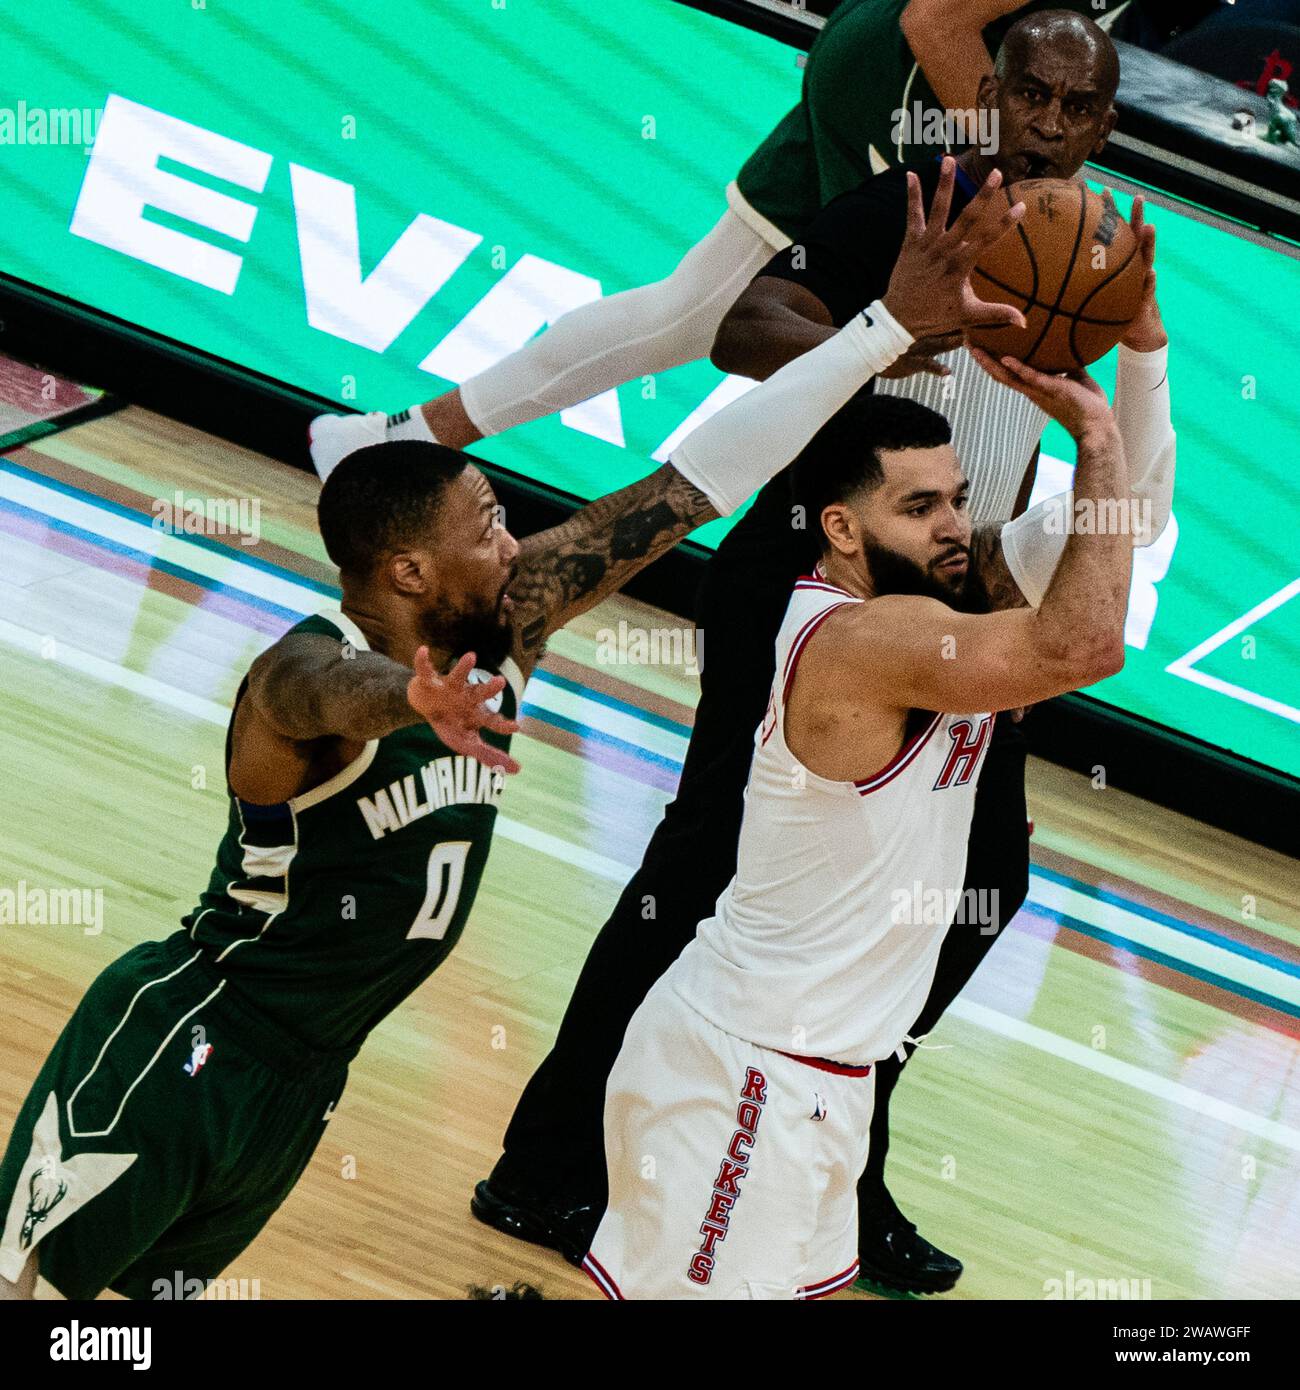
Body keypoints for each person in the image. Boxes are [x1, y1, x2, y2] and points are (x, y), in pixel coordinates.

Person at [0, 166, 1025, 1301]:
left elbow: (697, 484)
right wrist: (411, 703)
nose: (513, 540)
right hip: (189, 1045)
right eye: (486, 526)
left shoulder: (507, 619)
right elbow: (321, 696)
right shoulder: (298, 670)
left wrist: (880, 331)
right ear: (407, 570)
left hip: (302, 1081)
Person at [476, 12, 1163, 1294]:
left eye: (1079, 107)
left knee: (983, 877)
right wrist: (894, 337)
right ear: (989, 93)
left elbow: (1112, 470)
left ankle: (844, 1155)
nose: (1051, 124)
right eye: (1032, 94)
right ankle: (549, 1155)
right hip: (811, 572)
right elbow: (746, 321)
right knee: (700, 862)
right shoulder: (919, 204)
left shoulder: (1099, 262)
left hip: (957, 596)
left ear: (1106, 123)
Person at [585, 332, 1164, 1298]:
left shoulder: (942, 608)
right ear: (843, 530)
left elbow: (1127, 527)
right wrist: (1095, 438)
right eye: (919, 506)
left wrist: (1143, 354)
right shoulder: (864, 638)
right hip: (747, 1077)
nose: (952, 526)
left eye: (960, 500)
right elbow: (1085, 645)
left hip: (823, 1083)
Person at [305, 0, 1104, 477]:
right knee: (916, 351)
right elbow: (934, 19)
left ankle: (396, 440)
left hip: (883, 66)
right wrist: (1013, 173)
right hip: (909, 85)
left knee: (688, 312)